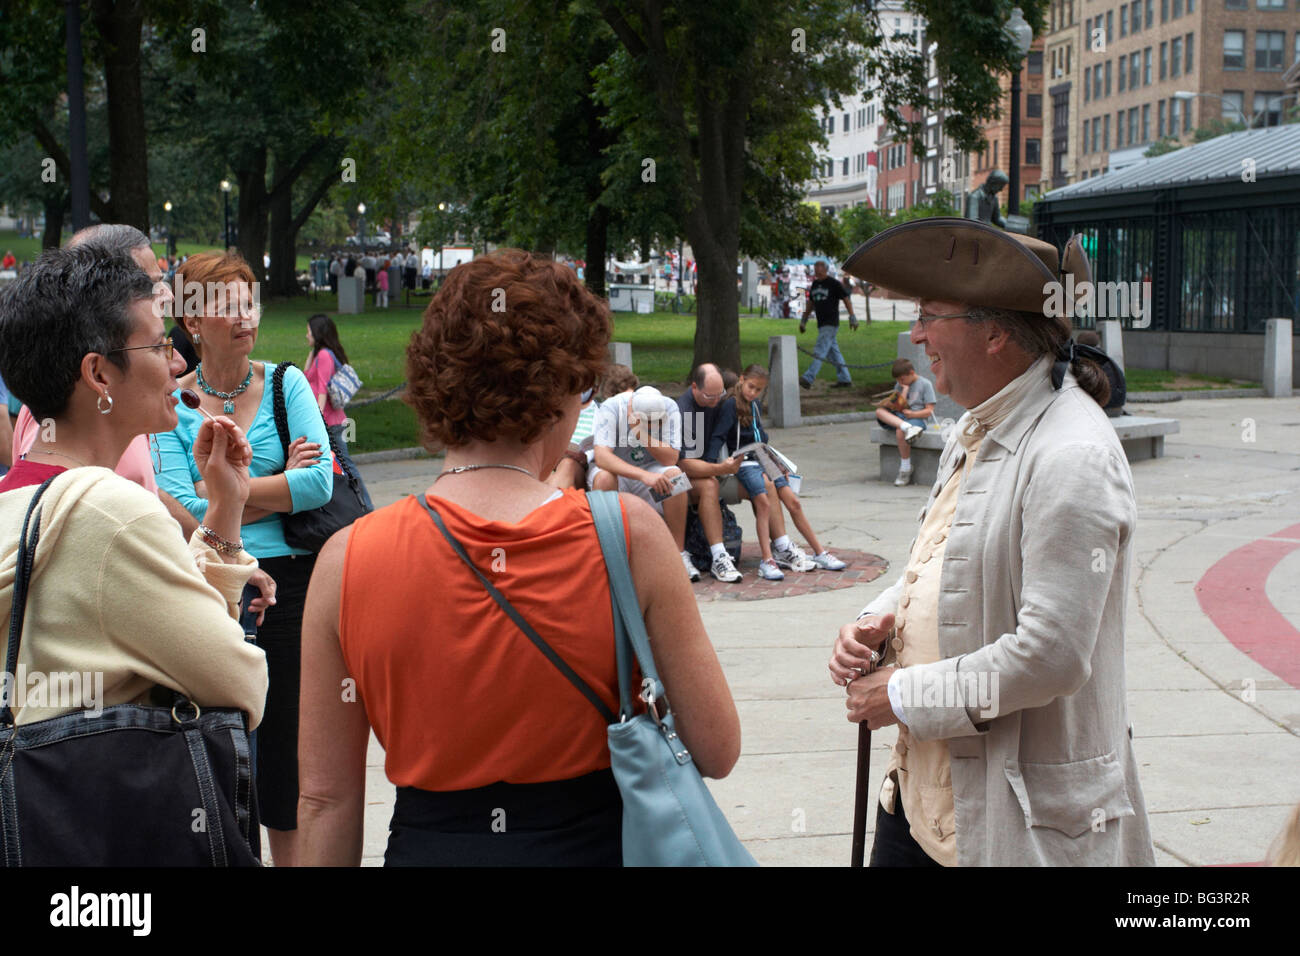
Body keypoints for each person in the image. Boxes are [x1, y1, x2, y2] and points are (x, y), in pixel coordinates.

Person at [295, 249, 740, 865]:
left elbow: (324, 801)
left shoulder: (347, 560)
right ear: (558, 390)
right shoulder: (627, 533)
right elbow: (716, 747)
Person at [829, 217, 1153, 866]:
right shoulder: (977, 428)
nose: (917, 334)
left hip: (1011, 825)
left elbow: (1051, 655)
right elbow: (940, 562)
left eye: (931, 314)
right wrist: (875, 617)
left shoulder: (1071, 453)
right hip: (923, 800)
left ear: (997, 331)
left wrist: (897, 694)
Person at [0, 245, 267, 743]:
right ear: (99, 374)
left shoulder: (10, 500)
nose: (176, 363)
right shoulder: (116, 516)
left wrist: (225, 506)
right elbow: (242, 681)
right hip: (112, 813)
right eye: (160, 346)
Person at [154, 250, 333, 867]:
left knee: (288, 756)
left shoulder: (285, 383)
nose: (243, 315)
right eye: (225, 305)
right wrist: (277, 480)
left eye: (248, 301)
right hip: (213, 591)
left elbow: (321, 486)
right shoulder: (168, 405)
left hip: (292, 591)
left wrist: (225, 492)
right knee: (223, 753)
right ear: (192, 322)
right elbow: (179, 503)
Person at [709, 364, 847, 578]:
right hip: (745, 460)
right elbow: (719, 436)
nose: (753, 393)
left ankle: (820, 552)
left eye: (758, 390)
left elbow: (762, 436)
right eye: (751, 387)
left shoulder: (753, 404)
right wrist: (713, 465)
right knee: (763, 502)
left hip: (763, 456)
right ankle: (768, 560)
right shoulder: (730, 405)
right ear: (742, 379)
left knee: (793, 502)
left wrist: (775, 460)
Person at [589, 385, 697, 583]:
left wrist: (641, 433)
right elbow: (602, 457)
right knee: (604, 479)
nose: (652, 426)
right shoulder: (612, 407)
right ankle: (609, 556)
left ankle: (678, 553)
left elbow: (670, 459)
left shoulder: (670, 407)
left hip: (651, 469)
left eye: (655, 423)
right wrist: (642, 476)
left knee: (676, 477)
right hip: (618, 471)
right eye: (647, 423)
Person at [674, 363, 743, 582]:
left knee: (765, 485)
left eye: (720, 394)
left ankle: (778, 550)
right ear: (694, 387)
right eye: (709, 396)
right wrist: (721, 469)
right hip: (676, 479)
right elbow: (684, 464)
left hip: (716, 469)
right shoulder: (682, 411)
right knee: (709, 485)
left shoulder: (720, 403)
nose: (715, 401)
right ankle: (718, 555)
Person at [304, 312, 372, 509]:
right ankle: (350, 506)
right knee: (333, 466)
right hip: (329, 421)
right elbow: (307, 375)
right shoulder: (320, 354)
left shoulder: (325, 355)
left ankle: (364, 506)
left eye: (309, 331)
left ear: (318, 333)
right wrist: (312, 351)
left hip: (330, 422)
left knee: (345, 466)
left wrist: (316, 418)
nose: (306, 335)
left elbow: (322, 388)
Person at [874, 358, 937, 487]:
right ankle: (906, 427)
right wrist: (904, 390)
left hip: (917, 418)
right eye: (897, 380)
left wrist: (913, 414)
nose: (899, 382)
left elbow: (929, 411)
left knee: (900, 431)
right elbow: (898, 404)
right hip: (900, 417)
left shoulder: (925, 384)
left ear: (911, 373)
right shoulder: (901, 385)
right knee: (880, 412)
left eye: (902, 379)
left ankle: (905, 468)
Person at [799, 260, 858, 390]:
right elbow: (811, 303)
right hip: (821, 323)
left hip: (830, 322)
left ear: (825, 269)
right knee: (833, 352)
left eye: (819, 266)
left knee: (820, 350)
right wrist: (804, 320)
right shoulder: (815, 284)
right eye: (815, 266)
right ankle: (845, 379)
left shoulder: (833, 283)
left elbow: (846, 299)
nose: (816, 268)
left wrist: (852, 317)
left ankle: (808, 378)